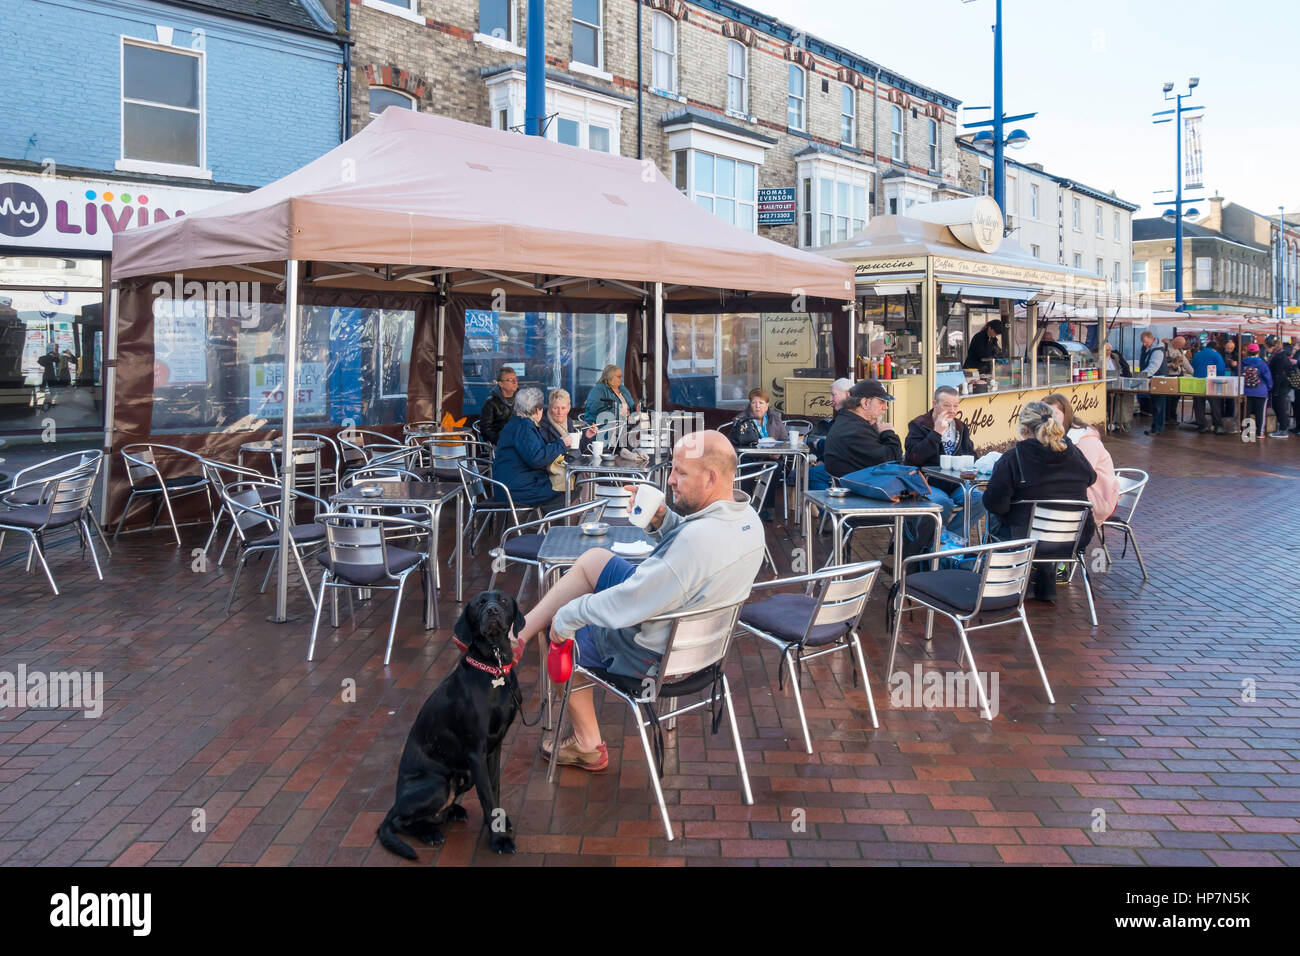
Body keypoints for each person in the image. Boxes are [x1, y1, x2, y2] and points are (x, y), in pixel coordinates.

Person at [516, 431, 765, 771]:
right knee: (595, 560)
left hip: (654, 656)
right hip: (702, 647)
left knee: (560, 632)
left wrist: (565, 618)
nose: (671, 481)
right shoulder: (748, 519)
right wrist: (662, 520)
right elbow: (687, 560)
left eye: (680, 473)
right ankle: (522, 631)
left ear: (711, 478)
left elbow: (629, 603)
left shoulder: (696, 542)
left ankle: (588, 744)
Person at [983, 402, 1097, 604]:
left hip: (1026, 541)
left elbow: (995, 504)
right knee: (1043, 519)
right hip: (1072, 541)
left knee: (999, 516)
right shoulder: (1074, 454)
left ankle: (1002, 583)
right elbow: (1091, 478)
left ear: (1024, 429)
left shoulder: (1014, 459)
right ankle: (1044, 581)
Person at [905, 385, 984, 538]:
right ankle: (932, 542)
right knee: (943, 503)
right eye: (947, 405)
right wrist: (936, 433)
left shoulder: (960, 427)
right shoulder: (919, 425)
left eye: (955, 406)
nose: (952, 410)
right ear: (934, 404)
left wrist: (980, 464)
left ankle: (948, 538)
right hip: (925, 484)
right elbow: (915, 457)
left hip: (955, 484)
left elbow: (971, 455)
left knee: (980, 499)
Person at [1044, 394, 1118, 529]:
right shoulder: (1052, 436)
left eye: (1054, 413)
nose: (1049, 419)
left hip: (1096, 499)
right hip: (1072, 495)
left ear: (1066, 415)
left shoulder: (1085, 439)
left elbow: (1081, 475)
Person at [492, 387, 568, 511]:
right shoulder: (524, 427)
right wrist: (561, 444)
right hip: (518, 491)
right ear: (538, 410)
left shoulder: (516, 423)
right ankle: (555, 526)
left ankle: (545, 523)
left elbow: (535, 452)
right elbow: (536, 459)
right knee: (569, 487)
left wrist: (557, 445)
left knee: (562, 484)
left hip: (509, 486)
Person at [823, 379, 905, 477]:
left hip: (859, 483)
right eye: (881, 402)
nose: (885, 407)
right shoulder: (854, 431)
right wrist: (888, 433)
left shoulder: (849, 422)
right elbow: (893, 462)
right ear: (865, 403)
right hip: (862, 488)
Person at [806, 377, 852, 459]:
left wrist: (820, 444)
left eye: (834, 395)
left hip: (846, 469)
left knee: (809, 472)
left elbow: (842, 448)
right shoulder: (845, 416)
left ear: (847, 394)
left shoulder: (850, 418)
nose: (830, 399)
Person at [540, 388, 598, 452]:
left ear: (569, 408)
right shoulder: (541, 426)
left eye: (563, 408)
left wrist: (586, 436)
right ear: (550, 407)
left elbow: (575, 450)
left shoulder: (569, 422)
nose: (560, 412)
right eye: (556, 408)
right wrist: (561, 444)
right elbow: (544, 455)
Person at [1191, 336, 1227, 433]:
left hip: (1198, 382)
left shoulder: (1197, 354)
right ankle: (1218, 426)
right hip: (1212, 382)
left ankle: (1202, 426)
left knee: (1199, 405)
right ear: (1215, 348)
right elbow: (1221, 369)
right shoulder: (1216, 355)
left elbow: (1193, 365)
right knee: (1215, 405)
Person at [1138, 331, 1168, 435]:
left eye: (1146, 342)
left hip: (1159, 381)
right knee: (1155, 405)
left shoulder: (1158, 351)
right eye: (1143, 342)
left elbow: (1153, 366)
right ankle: (1155, 428)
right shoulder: (1148, 348)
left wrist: (1141, 375)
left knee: (1159, 405)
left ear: (1152, 339)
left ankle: (1158, 429)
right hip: (1153, 380)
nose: (1144, 344)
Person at [478, 366, 518, 444]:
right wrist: (500, 441)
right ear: (501, 384)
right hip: (501, 443)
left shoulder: (522, 399)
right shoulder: (491, 402)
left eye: (516, 379)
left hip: (520, 440)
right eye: (510, 380)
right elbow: (486, 429)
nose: (515, 382)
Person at [1240, 343, 1273, 438]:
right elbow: (1268, 377)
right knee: (1260, 413)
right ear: (1258, 352)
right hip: (1260, 391)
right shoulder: (1262, 363)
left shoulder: (1243, 362)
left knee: (1246, 411)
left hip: (1246, 391)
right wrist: (1269, 387)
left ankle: (1245, 431)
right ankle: (1259, 433)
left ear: (1248, 352)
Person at [1266, 337, 1292, 438]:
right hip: (1281, 387)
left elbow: (1279, 375)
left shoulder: (1279, 356)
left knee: (1280, 407)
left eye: (1267, 347)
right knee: (1279, 407)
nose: (1267, 350)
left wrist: (1275, 390)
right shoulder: (1280, 355)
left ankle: (1283, 430)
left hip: (1280, 387)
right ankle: (1283, 428)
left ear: (1272, 347)